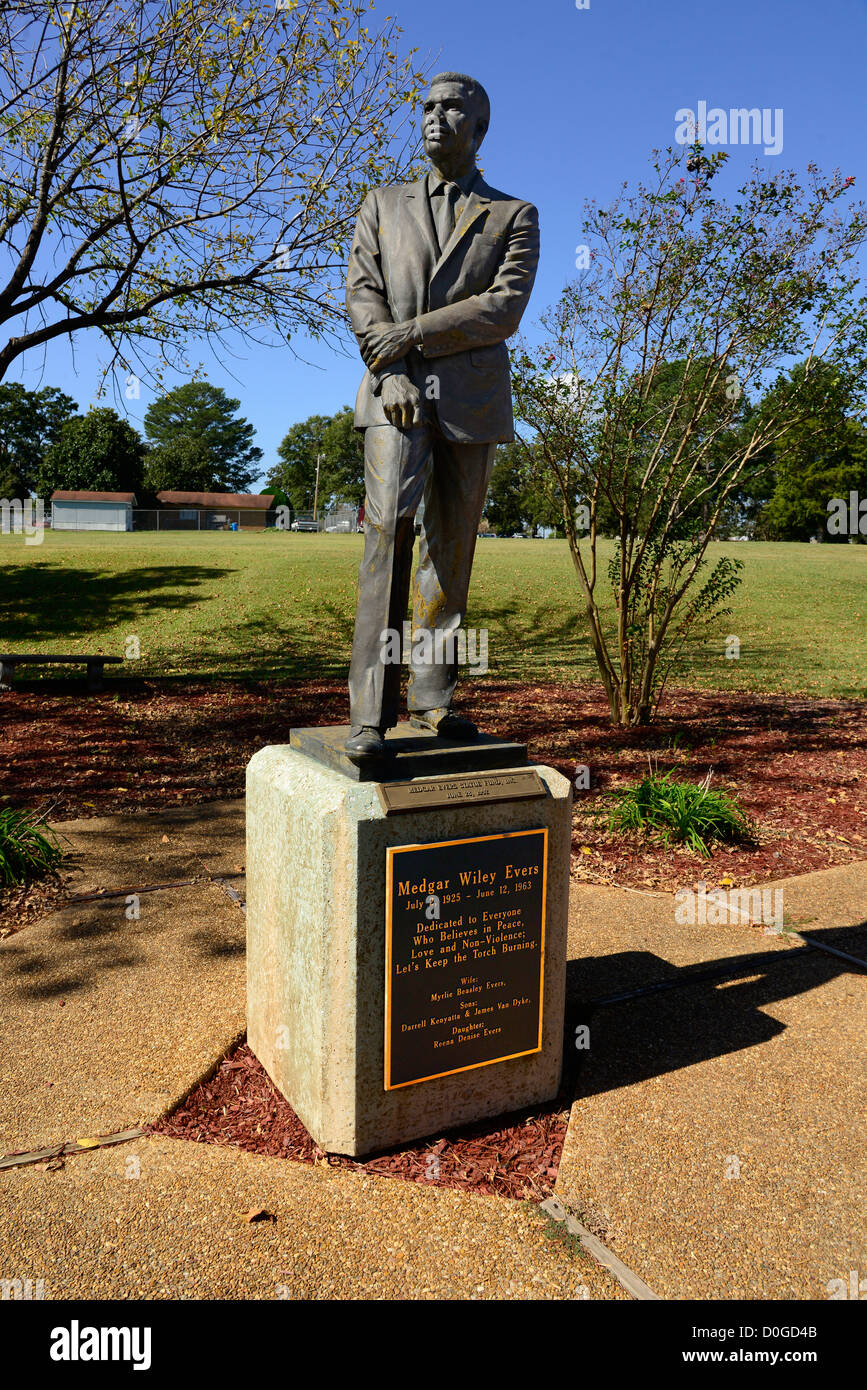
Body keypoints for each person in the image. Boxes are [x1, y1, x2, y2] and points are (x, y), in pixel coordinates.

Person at [344, 71, 540, 758]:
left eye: (451, 107)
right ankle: (369, 713)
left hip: (469, 402)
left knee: (449, 552)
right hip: (391, 395)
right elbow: (363, 295)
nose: (434, 116)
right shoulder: (380, 204)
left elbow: (502, 310)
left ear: (478, 127)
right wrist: (391, 365)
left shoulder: (512, 214)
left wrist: (409, 336)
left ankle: (432, 700)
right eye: (426, 106)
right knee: (387, 541)